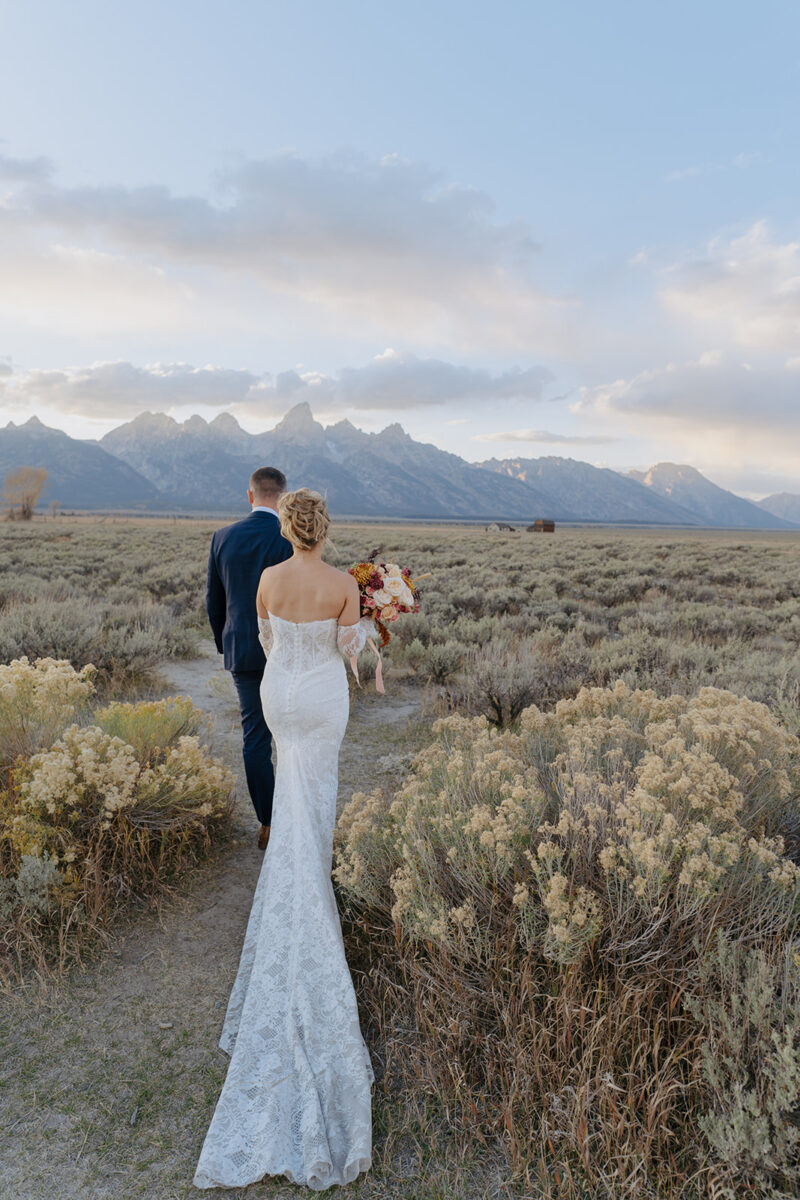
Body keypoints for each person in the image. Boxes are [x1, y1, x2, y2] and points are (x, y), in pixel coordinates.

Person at [194, 488, 374, 1191]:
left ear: (289, 529)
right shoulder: (341, 585)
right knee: (314, 800)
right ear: (325, 531)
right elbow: (349, 654)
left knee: (285, 782)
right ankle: (312, 884)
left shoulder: (270, 577)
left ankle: (292, 868)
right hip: (324, 698)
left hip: (281, 696)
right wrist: (370, 642)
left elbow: (267, 643)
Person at [206, 467, 293, 850]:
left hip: (243, 652)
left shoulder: (222, 538)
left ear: (250, 495)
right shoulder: (290, 538)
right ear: (284, 497)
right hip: (287, 652)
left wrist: (226, 644)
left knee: (255, 738)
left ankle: (268, 823)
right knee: (289, 733)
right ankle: (291, 816)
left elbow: (214, 602)